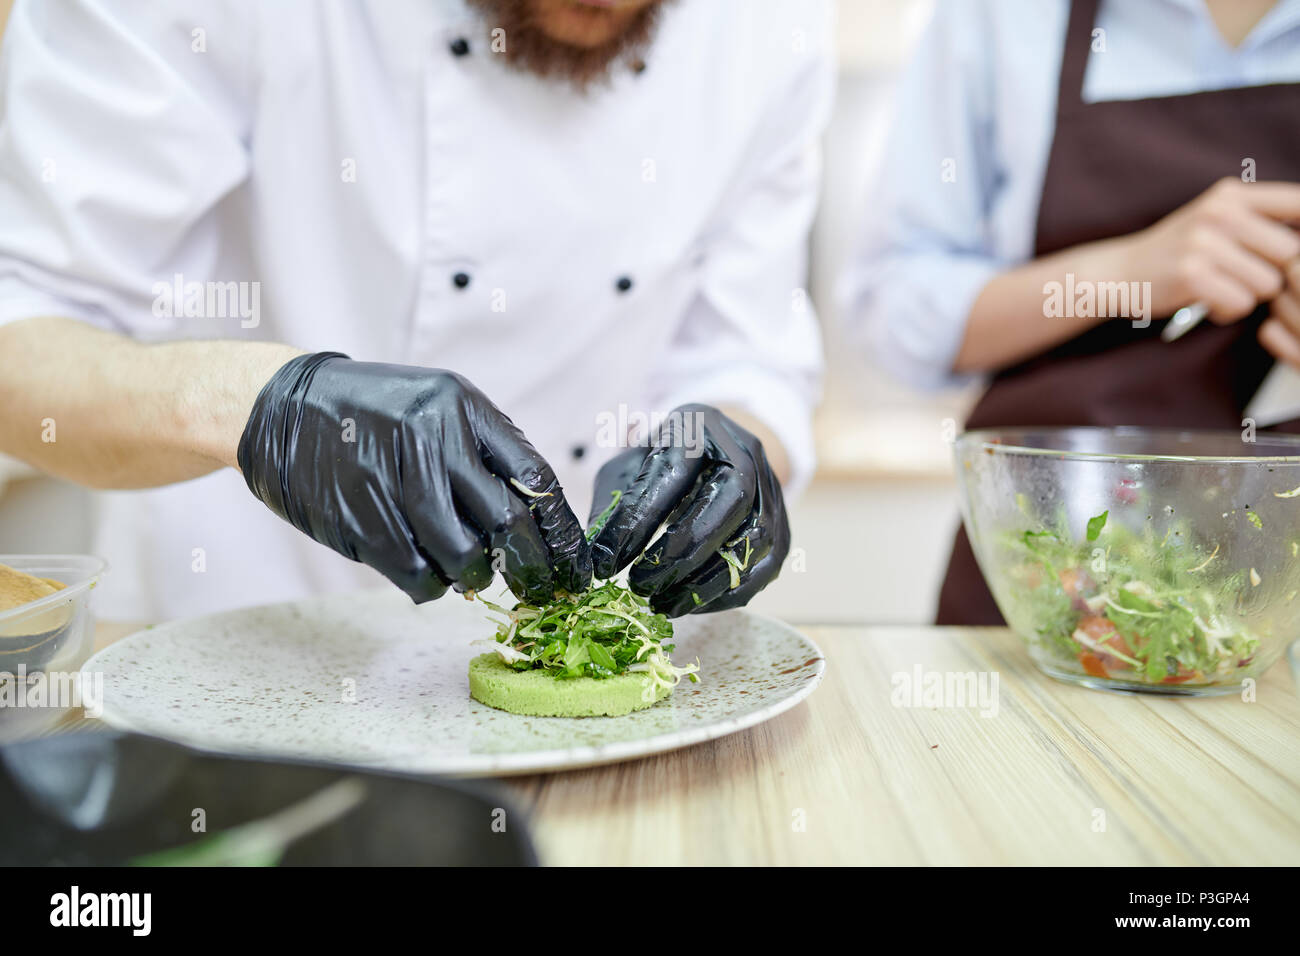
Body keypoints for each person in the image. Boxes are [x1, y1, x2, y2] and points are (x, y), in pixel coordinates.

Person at [0, 0, 831, 621]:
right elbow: (20, 327)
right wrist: (263, 406)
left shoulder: (772, 25)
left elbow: (745, 350)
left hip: (592, 669)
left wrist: (721, 450)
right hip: (240, 624)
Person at [841, 0, 1300, 625]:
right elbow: (888, 306)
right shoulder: (999, 17)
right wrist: (1121, 273)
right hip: (1048, 590)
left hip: (1281, 611)